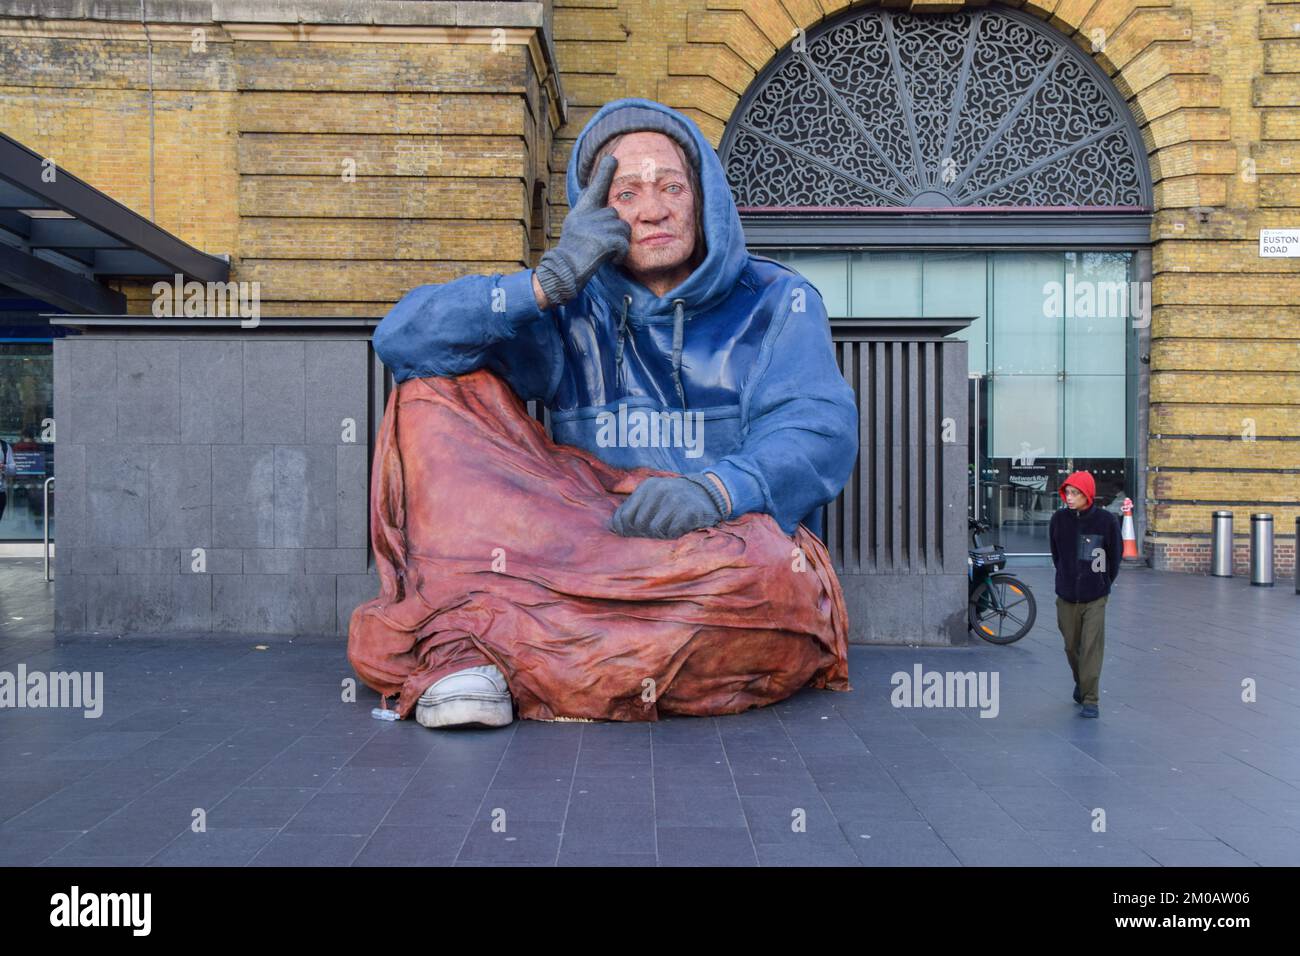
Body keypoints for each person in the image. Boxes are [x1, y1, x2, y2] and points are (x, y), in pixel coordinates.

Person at [368, 97, 859, 729]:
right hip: (587, 543)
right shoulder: (571, 307)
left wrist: (717, 491)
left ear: (704, 197)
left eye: (671, 186)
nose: (653, 209)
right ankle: (560, 653)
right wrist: (545, 284)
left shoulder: (777, 300)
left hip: (713, 551)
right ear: (595, 212)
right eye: (626, 192)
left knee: (776, 575)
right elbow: (401, 341)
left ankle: (491, 649)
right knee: (429, 391)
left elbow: (817, 430)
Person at [1049, 470, 1121, 718]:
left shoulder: (1106, 521)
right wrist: (1065, 577)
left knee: (1091, 647)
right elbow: (1056, 554)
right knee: (1071, 646)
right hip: (1066, 594)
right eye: (1067, 493)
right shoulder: (1058, 520)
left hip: (1095, 595)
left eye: (1075, 493)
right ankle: (1082, 682)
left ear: (1087, 494)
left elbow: (1115, 557)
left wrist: (1103, 583)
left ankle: (1091, 699)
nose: (1069, 498)